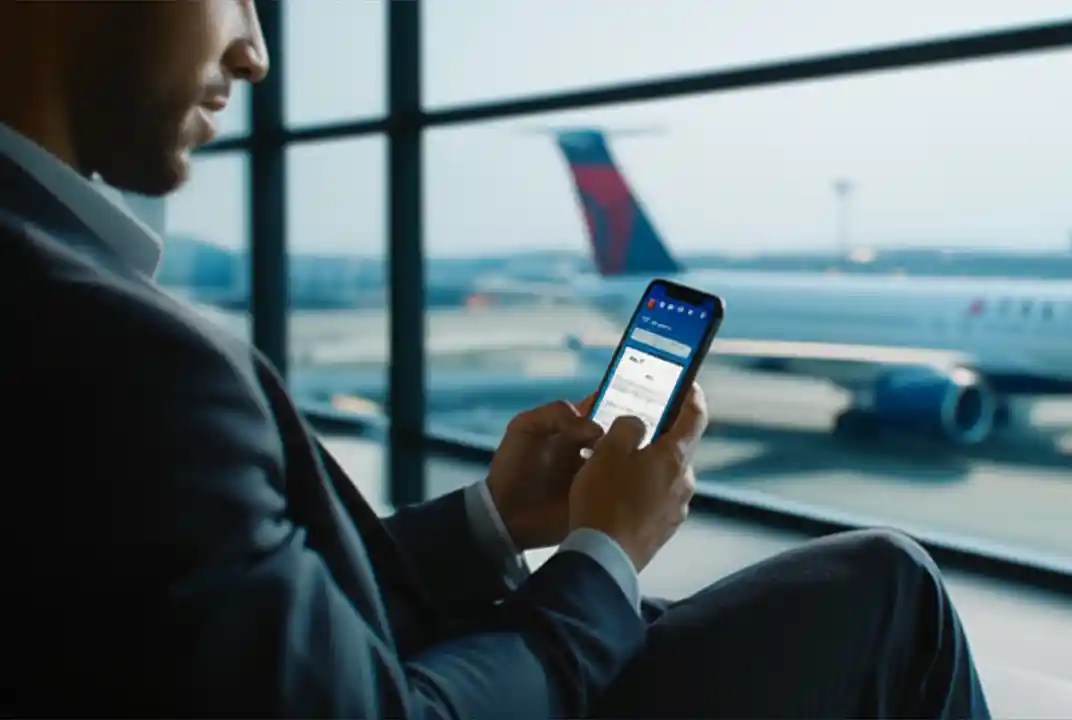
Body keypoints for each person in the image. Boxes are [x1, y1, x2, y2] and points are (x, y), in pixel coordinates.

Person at [0, 2, 989, 717]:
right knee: (887, 584)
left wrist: (489, 523)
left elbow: (251, 628)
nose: (255, 50)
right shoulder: (122, 357)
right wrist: (604, 550)